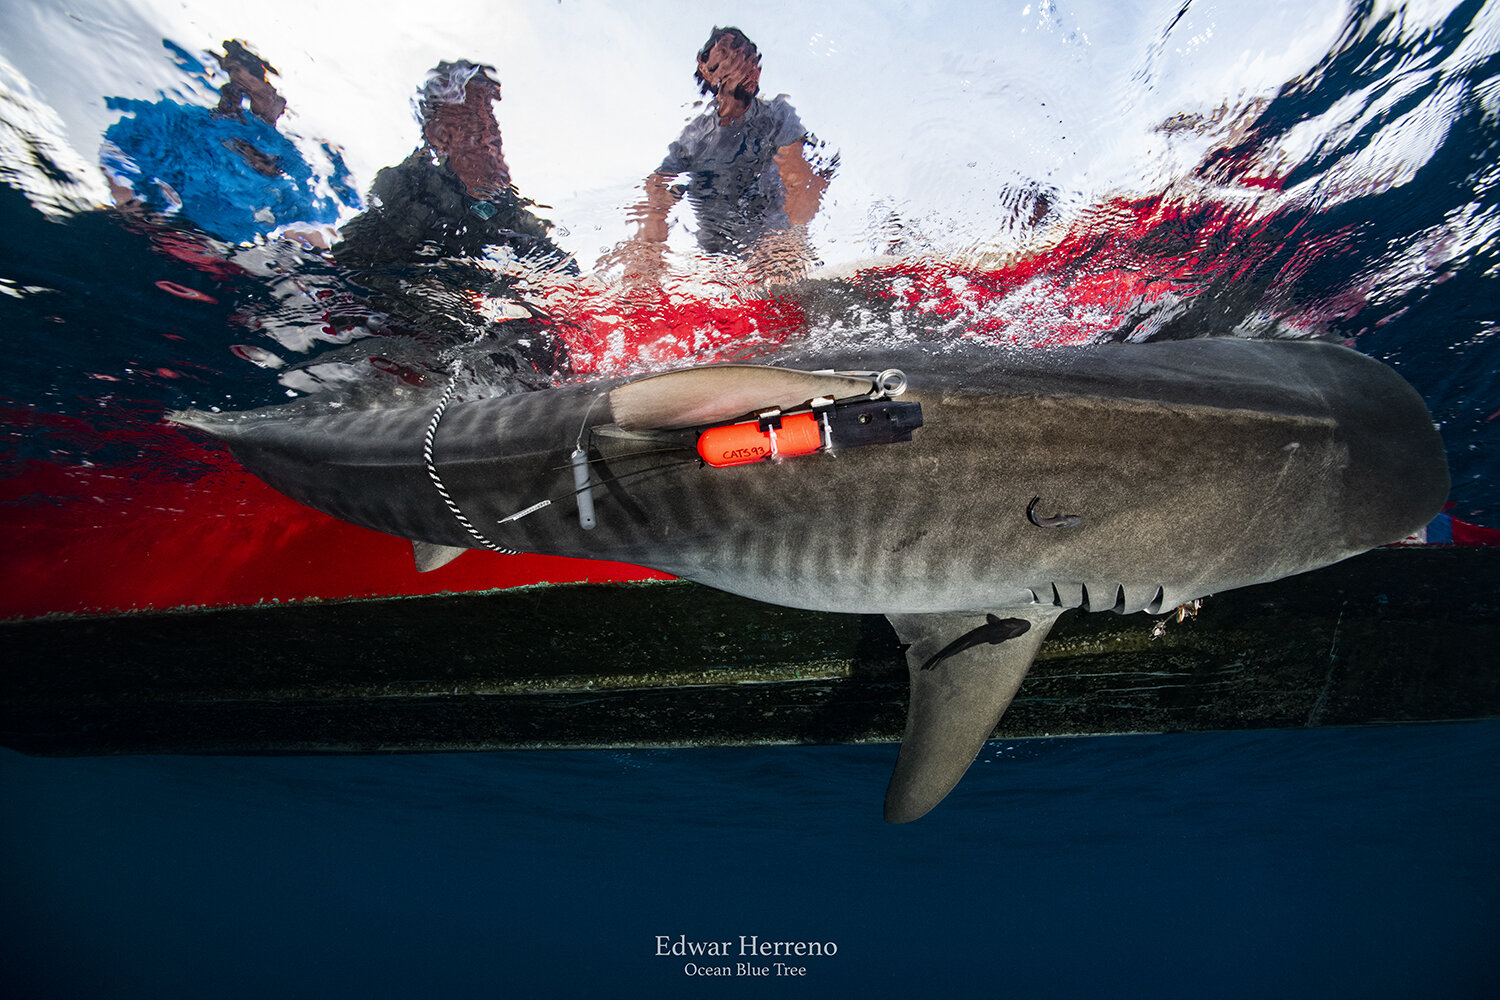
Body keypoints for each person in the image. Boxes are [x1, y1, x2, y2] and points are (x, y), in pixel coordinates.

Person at [324, 60, 574, 392]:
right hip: (390, 315)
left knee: (546, 341)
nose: (489, 131)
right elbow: (357, 261)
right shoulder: (409, 184)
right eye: (473, 120)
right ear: (438, 134)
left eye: (491, 118)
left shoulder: (508, 208)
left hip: (468, 320)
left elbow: (559, 266)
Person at [620, 26, 832, 282]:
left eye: (751, 58)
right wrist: (646, 262)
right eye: (731, 55)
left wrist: (787, 245)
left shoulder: (777, 114)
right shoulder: (694, 137)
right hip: (716, 265)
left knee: (783, 257)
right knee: (642, 258)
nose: (746, 65)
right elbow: (656, 193)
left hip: (772, 252)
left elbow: (797, 180)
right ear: (707, 70)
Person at [100, 39, 356, 246]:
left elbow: (306, 227)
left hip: (209, 223)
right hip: (201, 218)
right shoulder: (178, 128)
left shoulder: (283, 161)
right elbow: (119, 149)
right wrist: (129, 200)